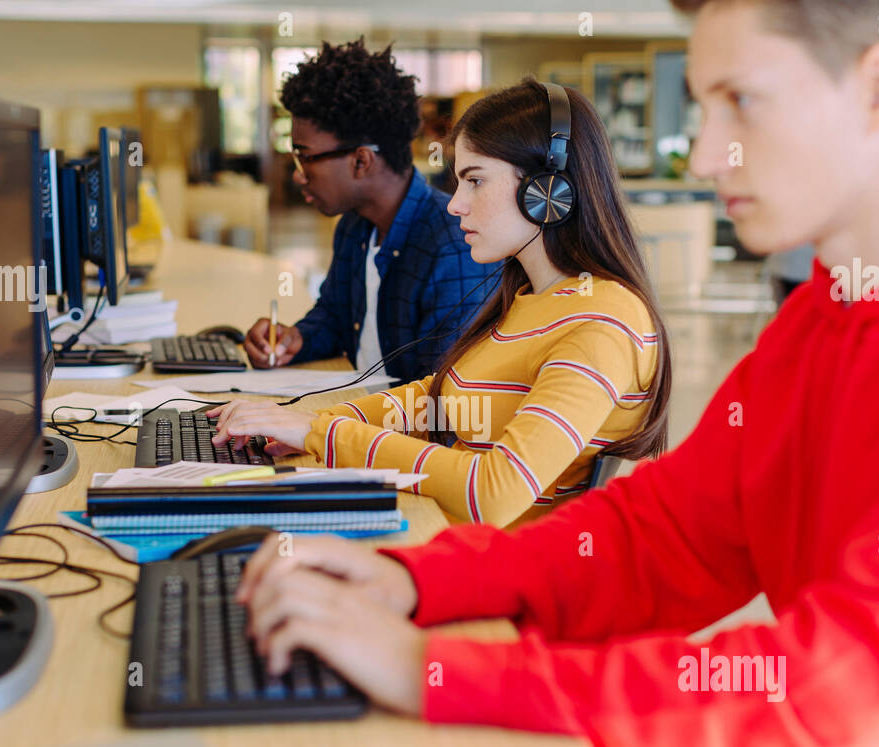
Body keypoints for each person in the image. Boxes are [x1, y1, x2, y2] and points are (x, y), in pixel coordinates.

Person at [234, 0, 879, 747]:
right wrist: (419, 583)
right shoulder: (829, 316)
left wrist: (432, 670)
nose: (707, 155)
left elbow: (831, 691)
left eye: (740, 103)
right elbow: (664, 535)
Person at [210, 80, 672, 528]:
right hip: (438, 533)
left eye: (475, 181)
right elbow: (438, 401)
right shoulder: (533, 298)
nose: (455, 205)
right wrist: (301, 420)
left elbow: (494, 492)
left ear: (546, 192)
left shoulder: (601, 324)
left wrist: (318, 434)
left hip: (483, 574)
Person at [245, 38, 497, 379]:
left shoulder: (454, 247)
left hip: (393, 429)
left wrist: (328, 428)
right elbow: (335, 316)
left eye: (305, 156)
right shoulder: (355, 225)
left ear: (361, 160)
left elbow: (442, 406)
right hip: (360, 416)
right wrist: (296, 339)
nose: (298, 174)